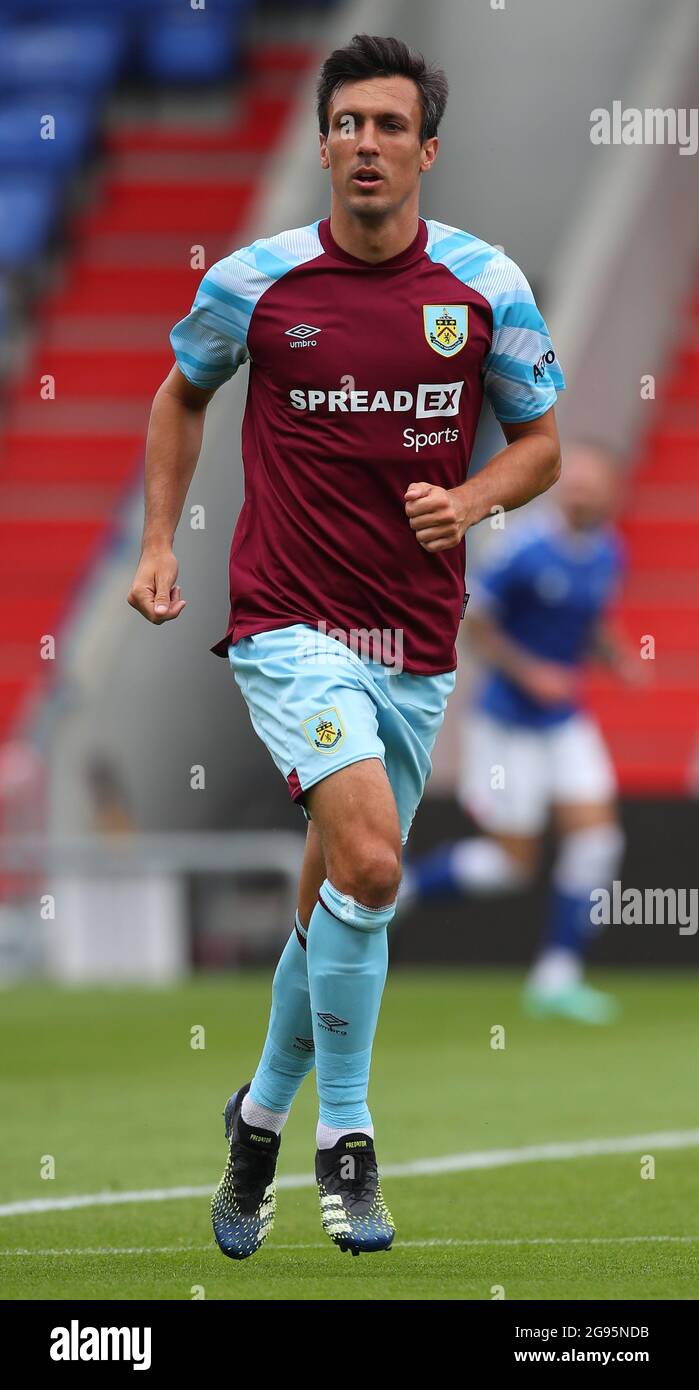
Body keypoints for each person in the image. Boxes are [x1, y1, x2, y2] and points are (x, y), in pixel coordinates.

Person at [127, 33, 565, 1260]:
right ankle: (349, 1142)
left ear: (426, 150)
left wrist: (471, 500)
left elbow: (543, 447)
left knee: (338, 885)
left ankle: (258, 1119)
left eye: (388, 125)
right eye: (346, 124)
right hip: (292, 625)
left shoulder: (487, 286)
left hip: (415, 643)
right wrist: (160, 543)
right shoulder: (254, 282)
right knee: (373, 866)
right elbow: (180, 394)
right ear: (322, 143)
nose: (364, 143)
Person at [401, 442, 638, 1024]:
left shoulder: (610, 551)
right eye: (574, 482)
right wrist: (531, 673)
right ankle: (399, 889)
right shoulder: (523, 547)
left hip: (563, 720)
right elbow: (476, 621)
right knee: (510, 865)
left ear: (608, 493)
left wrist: (616, 655)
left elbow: (589, 619)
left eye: (591, 484)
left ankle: (557, 977)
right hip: (507, 722)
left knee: (599, 842)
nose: (581, 492)